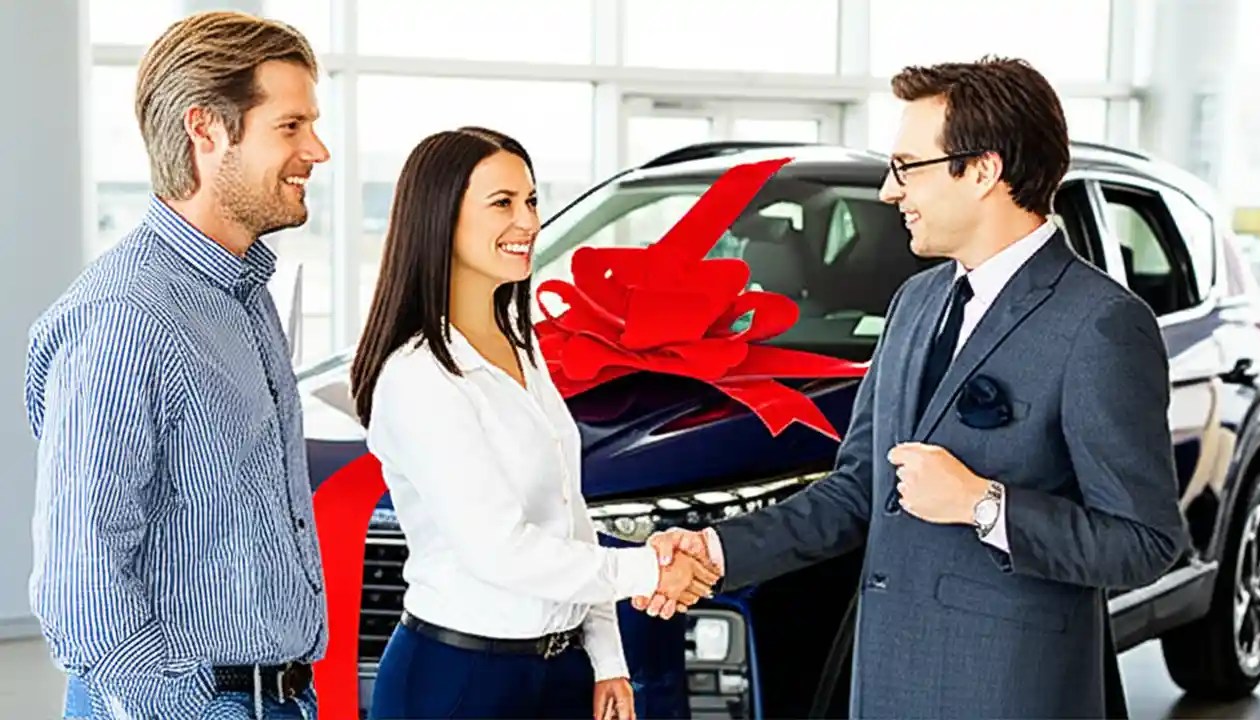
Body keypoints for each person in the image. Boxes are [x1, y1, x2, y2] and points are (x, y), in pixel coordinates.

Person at [635, 56, 1190, 719]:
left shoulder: (1101, 323)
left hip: (1010, 696)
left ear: (983, 170)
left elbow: (1145, 543)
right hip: (888, 685)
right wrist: (716, 549)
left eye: (907, 167)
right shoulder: (917, 302)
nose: (890, 191)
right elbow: (857, 489)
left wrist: (984, 504)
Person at [349, 126, 718, 720]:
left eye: (531, 200)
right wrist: (650, 567)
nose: (527, 221)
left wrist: (606, 656)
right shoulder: (418, 375)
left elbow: (570, 516)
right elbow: (499, 549)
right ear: (440, 217)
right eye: (502, 203)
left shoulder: (521, 347)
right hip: (461, 682)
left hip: (558, 671)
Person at [25, 11, 331, 720]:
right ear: (206, 131)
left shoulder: (241, 295)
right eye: (290, 126)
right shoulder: (126, 317)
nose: (316, 149)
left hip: (273, 695)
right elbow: (81, 580)